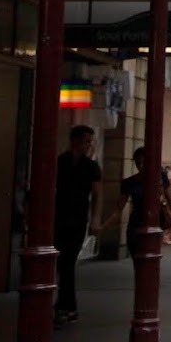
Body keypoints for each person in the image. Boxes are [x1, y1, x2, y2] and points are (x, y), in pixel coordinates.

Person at [53, 124, 101, 326]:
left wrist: (94, 219)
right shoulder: (60, 162)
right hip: (59, 216)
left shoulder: (91, 166)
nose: (88, 145)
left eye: (90, 142)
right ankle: (66, 305)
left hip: (78, 217)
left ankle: (65, 305)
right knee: (62, 262)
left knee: (68, 261)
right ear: (75, 141)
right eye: (86, 141)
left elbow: (97, 194)